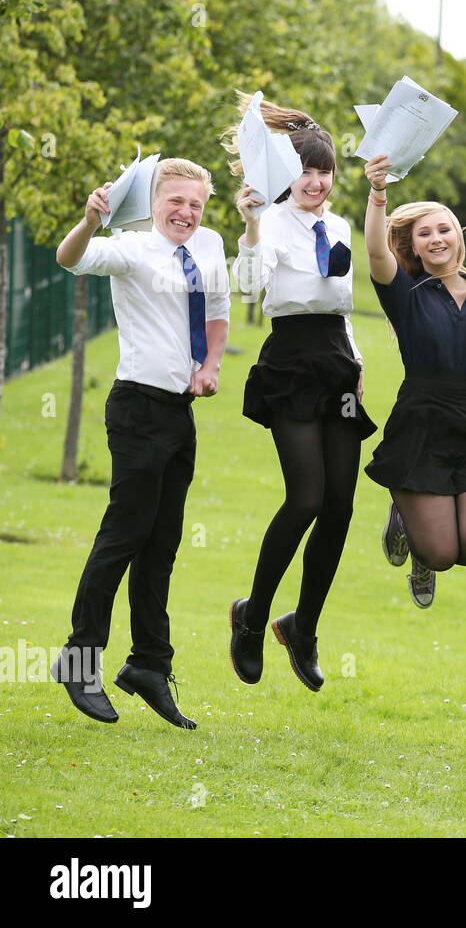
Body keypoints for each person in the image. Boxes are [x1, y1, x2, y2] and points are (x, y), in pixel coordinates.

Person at [50, 157, 230, 730]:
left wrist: (212, 366)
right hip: (136, 407)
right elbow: (69, 258)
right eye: (176, 201)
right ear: (154, 200)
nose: (186, 212)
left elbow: (220, 312)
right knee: (124, 533)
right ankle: (79, 660)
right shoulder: (129, 246)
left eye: (196, 204)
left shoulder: (211, 245)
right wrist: (88, 220)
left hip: (180, 413)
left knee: (162, 544)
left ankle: (150, 665)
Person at [224, 95, 376, 693]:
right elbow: (248, 290)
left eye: (323, 171)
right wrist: (252, 224)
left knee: (341, 506)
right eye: (304, 172)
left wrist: (358, 362)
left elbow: (341, 307)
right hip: (291, 364)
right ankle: (253, 616)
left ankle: (303, 626)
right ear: (286, 174)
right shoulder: (272, 220)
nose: (314, 182)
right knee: (307, 498)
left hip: (338, 362)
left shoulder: (337, 225)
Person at [362, 153, 466, 607]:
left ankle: (417, 521)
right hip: (421, 424)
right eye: (425, 233)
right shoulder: (406, 294)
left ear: (458, 236)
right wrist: (379, 192)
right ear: (415, 247)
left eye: (444, 229)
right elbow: (375, 250)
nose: (437, 238)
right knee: (441, 554)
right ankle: (413, 529)